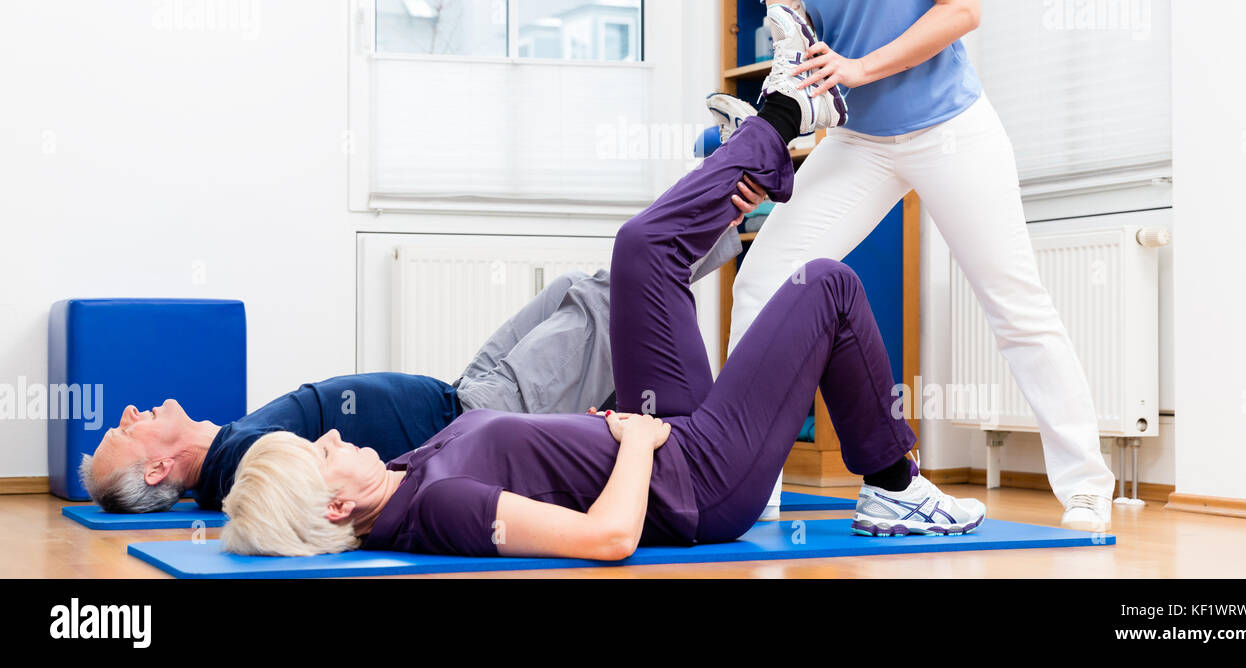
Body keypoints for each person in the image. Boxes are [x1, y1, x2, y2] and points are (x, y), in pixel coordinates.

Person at [220, 65, 985, 559]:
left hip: (658, 436)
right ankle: (895, 486)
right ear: (338, 502)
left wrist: (596, 430)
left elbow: (544, 469)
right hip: (698, 480)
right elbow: (608, 538)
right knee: (825, 285)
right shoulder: (440, 508)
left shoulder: (399, 475)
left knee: (640, 249)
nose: (326, 436)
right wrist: (632, 447)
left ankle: (774, 129)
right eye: (319, 455)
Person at [722, 0, 1115, 531]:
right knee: (760, 282)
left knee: (1016, 307)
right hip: (862, 141)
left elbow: (961, 7)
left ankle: (1085, 491)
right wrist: (761, 146)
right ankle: (745, 482)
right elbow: (796, 51)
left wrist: (859, 64)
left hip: (950, 127)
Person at [77, 231, 753, 515]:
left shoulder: (233, 442)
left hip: (459, 387)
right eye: (123, 432)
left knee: (583, 286)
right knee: (613, 299)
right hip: (476, 420)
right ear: (159, 470)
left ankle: (721, 206)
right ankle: (733, 205)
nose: (129, 414)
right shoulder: (244, 470)